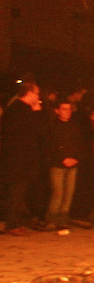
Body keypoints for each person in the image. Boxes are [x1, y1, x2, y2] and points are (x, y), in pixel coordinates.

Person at [0, 83, 48, 234]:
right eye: (37, 93)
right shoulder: (19, 110)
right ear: (29, 93)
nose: (38, 97)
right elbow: (36, 131)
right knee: (16, 191)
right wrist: (37, 112)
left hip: (21, 158)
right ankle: (12, 224)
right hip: (18, 159)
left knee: (20, 192)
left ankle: (17, 221)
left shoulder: (16, 109)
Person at [44, 99, 85, 230]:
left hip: (73, 164)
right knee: (58, 192)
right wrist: (62, 159)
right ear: (57, 110)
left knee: (69, 193)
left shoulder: (75, 126)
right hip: (58, 164)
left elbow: (80, 145)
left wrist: (76, 158)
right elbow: (49, 147)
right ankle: (51, 219)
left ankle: (63, 219)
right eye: (64, 109)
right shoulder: (52, 126)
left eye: (69, 109)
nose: (67, 112)